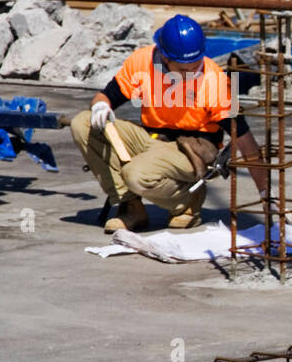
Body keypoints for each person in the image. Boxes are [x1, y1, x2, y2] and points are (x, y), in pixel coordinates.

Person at [70, 14, 269, 232]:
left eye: (197, 66)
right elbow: (106, 95)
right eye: (184, 70)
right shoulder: (142, 62)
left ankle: (186, 203)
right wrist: (101, 106)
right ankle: (131, 206)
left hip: (193, 148)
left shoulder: (215, 81)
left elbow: (245, 141)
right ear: (165, 58)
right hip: (152, 137)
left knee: (136, 174)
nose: (193, 74)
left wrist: (266, 195)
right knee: (83, 123)